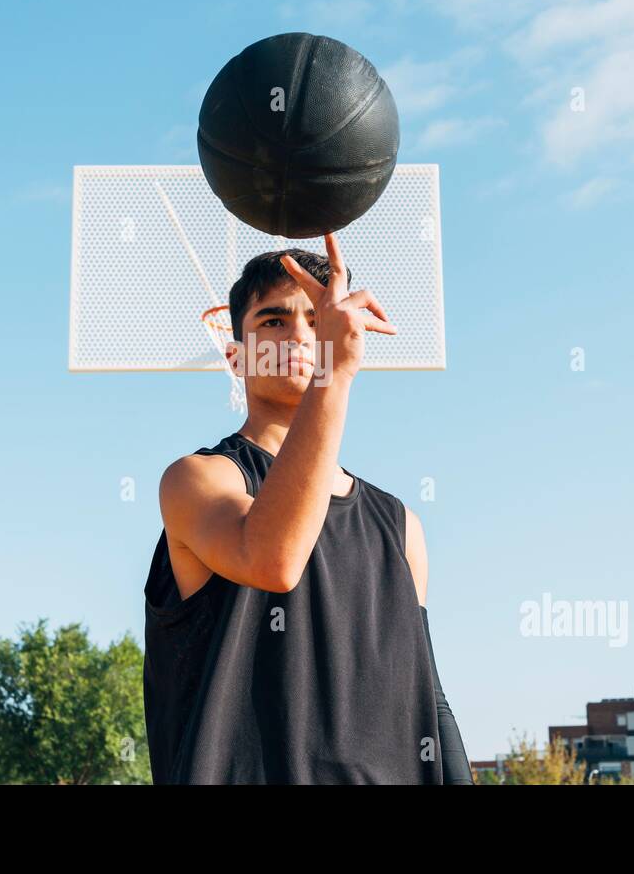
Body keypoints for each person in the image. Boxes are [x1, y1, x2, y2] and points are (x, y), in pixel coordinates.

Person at [142, 232, 472, 784]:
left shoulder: (398, 525)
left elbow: (429, 696)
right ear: (235, 356)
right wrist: (333, 376)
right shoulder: (199, 480)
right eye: (273, 321)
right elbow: (273, 559)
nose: (298, 334)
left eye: (317, 321)